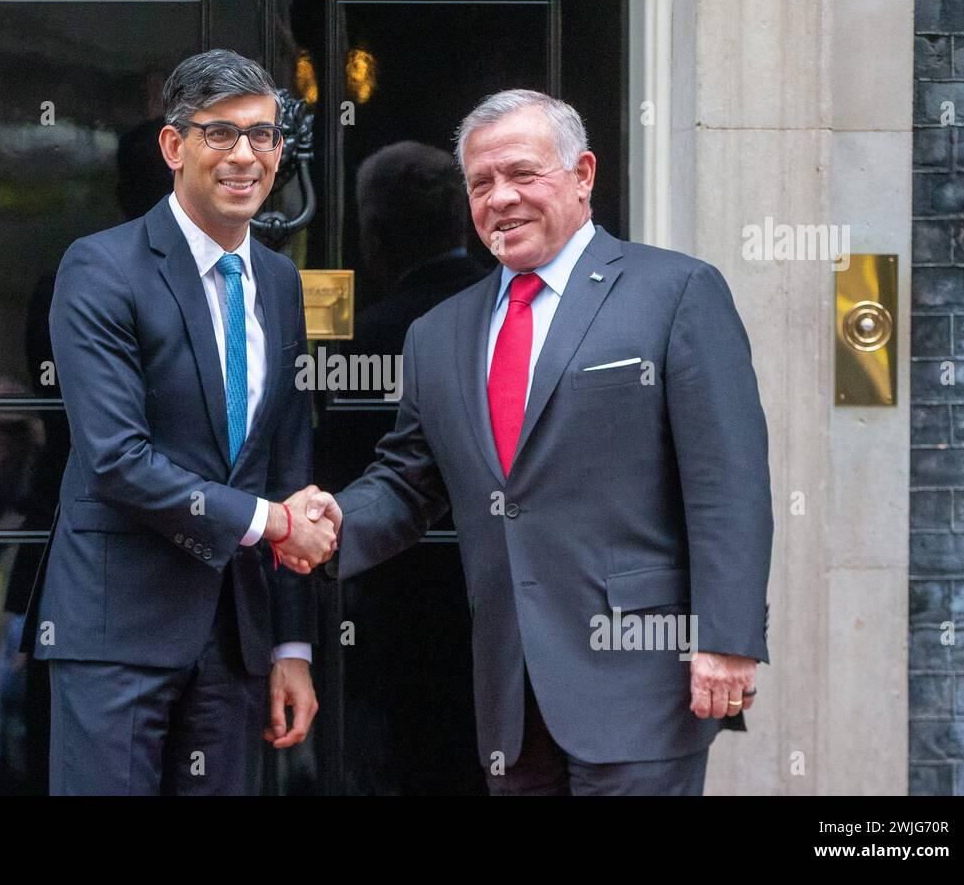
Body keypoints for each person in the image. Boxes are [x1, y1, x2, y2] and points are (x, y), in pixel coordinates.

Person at [299, 89, 773, 795]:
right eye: (482, 182)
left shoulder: (675, 291)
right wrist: (334, 525)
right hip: (510, 692)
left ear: (583, 174)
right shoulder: (439, 332)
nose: (501, 198)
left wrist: (728, 638)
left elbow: (727, 481)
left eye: (523, 173)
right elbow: (406, 479)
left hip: (642, 677)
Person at [20, 49, 337, 795]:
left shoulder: (282, 282)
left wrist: (291, 643)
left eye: (262, 136)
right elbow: (117, 458)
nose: (244, 156)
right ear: (174, 146)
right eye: (219, 134)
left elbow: (287, 460)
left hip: (235, 641)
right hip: (116, 631)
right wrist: (276, 523)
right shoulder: (101, 268)